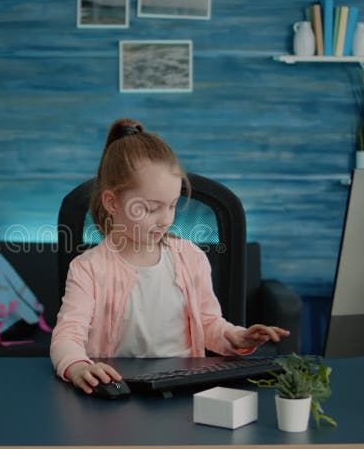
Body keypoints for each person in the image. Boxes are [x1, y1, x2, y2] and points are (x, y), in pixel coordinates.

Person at [50, 118, 291, 395]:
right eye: (151, 209)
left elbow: (210, 323)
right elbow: (67, 336)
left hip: (184, 387)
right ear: (112, 203)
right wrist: (78, 366)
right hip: (121, 389)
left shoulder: (190, 257)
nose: (165, 220)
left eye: (172, 206)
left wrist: (236, 337)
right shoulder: (88, 269)